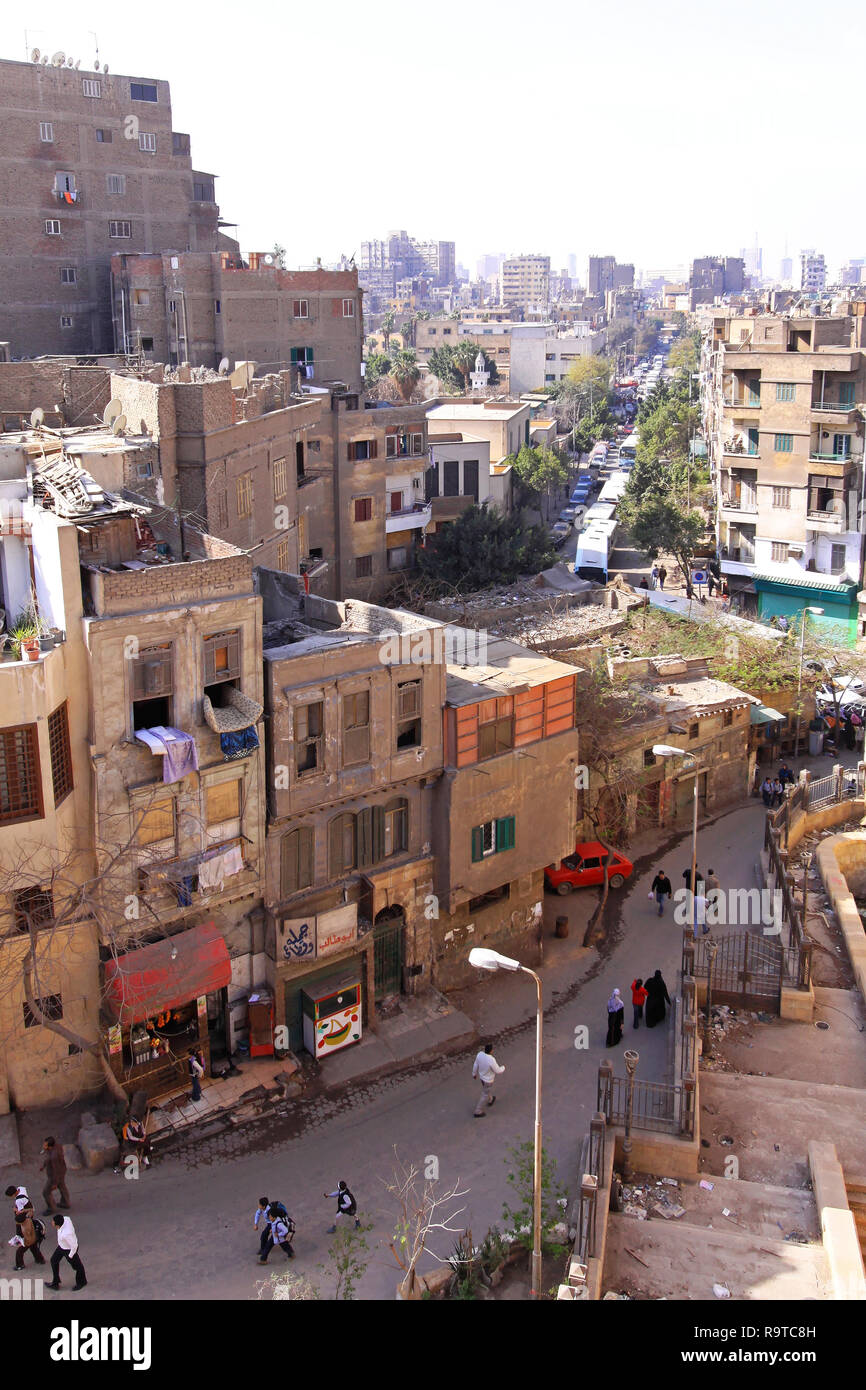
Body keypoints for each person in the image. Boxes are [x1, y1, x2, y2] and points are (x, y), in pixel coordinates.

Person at [47, 1214, 86, 1291]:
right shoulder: (66, 1219)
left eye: (53, 1222)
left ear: (57, 1225)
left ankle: (82, 1282)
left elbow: (74, 1246)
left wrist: (70, 1256)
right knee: (54, 1260)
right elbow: (66, 1217)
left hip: (69, 1249)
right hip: (61, 1246)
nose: (52, 1222)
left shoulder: (67, 1234)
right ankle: (56, 1282)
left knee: (78, 1267)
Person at [471, 1042, 505, 1118]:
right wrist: (503, 1067)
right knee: (484, 1094)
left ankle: (491, 1099)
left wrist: (474, 1073)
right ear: (491, 1051)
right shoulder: (491, 1059)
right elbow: (498, 1071)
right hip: (488, 1080)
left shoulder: (480, 1055)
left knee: (486, 1090)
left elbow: (475, 1064)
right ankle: (478, 1111)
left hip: (482, 1078)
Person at [40, 1137, 70, 1216]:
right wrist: (44, 1166)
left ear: (50, 1146)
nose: (43, 1146)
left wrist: (54, 1183)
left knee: (46, 1192)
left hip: (54, 1175)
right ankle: (65, 1203)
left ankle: (51, 1208)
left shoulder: (54, 1157)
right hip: (62, 1171)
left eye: (45, 1145)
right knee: (62, 1186)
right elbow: (48, 1158)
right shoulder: (57, 1146)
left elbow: (56, 1171)